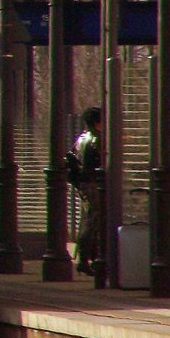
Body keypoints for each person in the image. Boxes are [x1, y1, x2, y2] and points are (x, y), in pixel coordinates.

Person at [72, 106, 103, 275]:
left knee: (87, 219)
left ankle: (87, 257)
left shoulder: (81, 138)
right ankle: (85, 259)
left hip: (83, 184)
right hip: (93, 184)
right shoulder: (97, 139)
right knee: (92, 221)